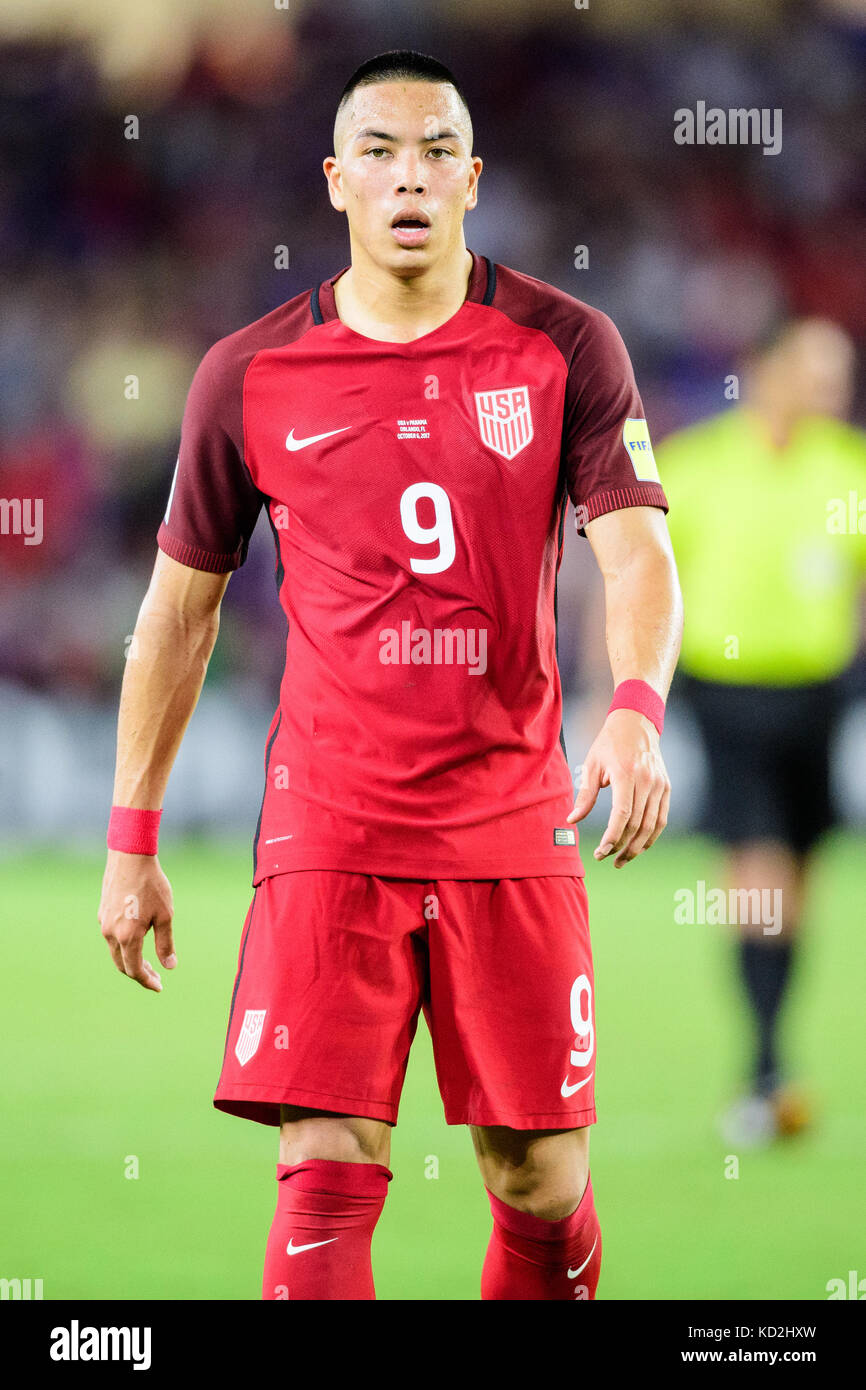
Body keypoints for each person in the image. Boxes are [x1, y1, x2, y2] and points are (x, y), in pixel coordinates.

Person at [98, 49, 682, 1300]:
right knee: (322, 1163)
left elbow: (637, 552)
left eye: (434, 153)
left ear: (472, 179)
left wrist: (635, 709)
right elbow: (177, 614)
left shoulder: (564, 344)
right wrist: (130, 837)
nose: (407, 177)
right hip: (329, 820)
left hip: (508, 815)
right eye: (378, 151)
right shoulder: (246, 374)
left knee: (536, 1180)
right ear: (334, 180)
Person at [658, 318, 866, 1146]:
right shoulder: (698, 465)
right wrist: (622, 689)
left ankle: (771, 1064)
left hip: (819, 694)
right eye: (819, 373)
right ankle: (767, 1067)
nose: (834, 390)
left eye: (840, 376)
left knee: (798, 883)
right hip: (728, 695)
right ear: (767, 370)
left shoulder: (847, 468)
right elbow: (643, 577)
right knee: (759, 875)